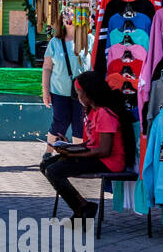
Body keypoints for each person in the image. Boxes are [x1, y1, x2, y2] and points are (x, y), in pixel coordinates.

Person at [40, 71, 135, 219]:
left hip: (109, 162)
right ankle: (82, 207)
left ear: (89, 93)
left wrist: (72, 154)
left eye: (79, 93)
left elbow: (104, 150)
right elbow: (91, 143)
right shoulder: (92, 112)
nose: (78, 97)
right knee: (46, 165)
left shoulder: (104, 113)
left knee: (53, 171)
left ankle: (82, 208)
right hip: (97, 158)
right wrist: (68, 147)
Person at [41, 21, 87, 156]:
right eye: (66, 15)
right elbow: (47, 68)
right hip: (59, 91)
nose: (70, 19)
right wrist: (45, 91)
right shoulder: (55, 42)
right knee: (60, 122)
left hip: (82, 93)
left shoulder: (88, 40)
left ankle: (78, 155)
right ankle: (49, 152)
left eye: (73, 14)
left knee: (79, 125)